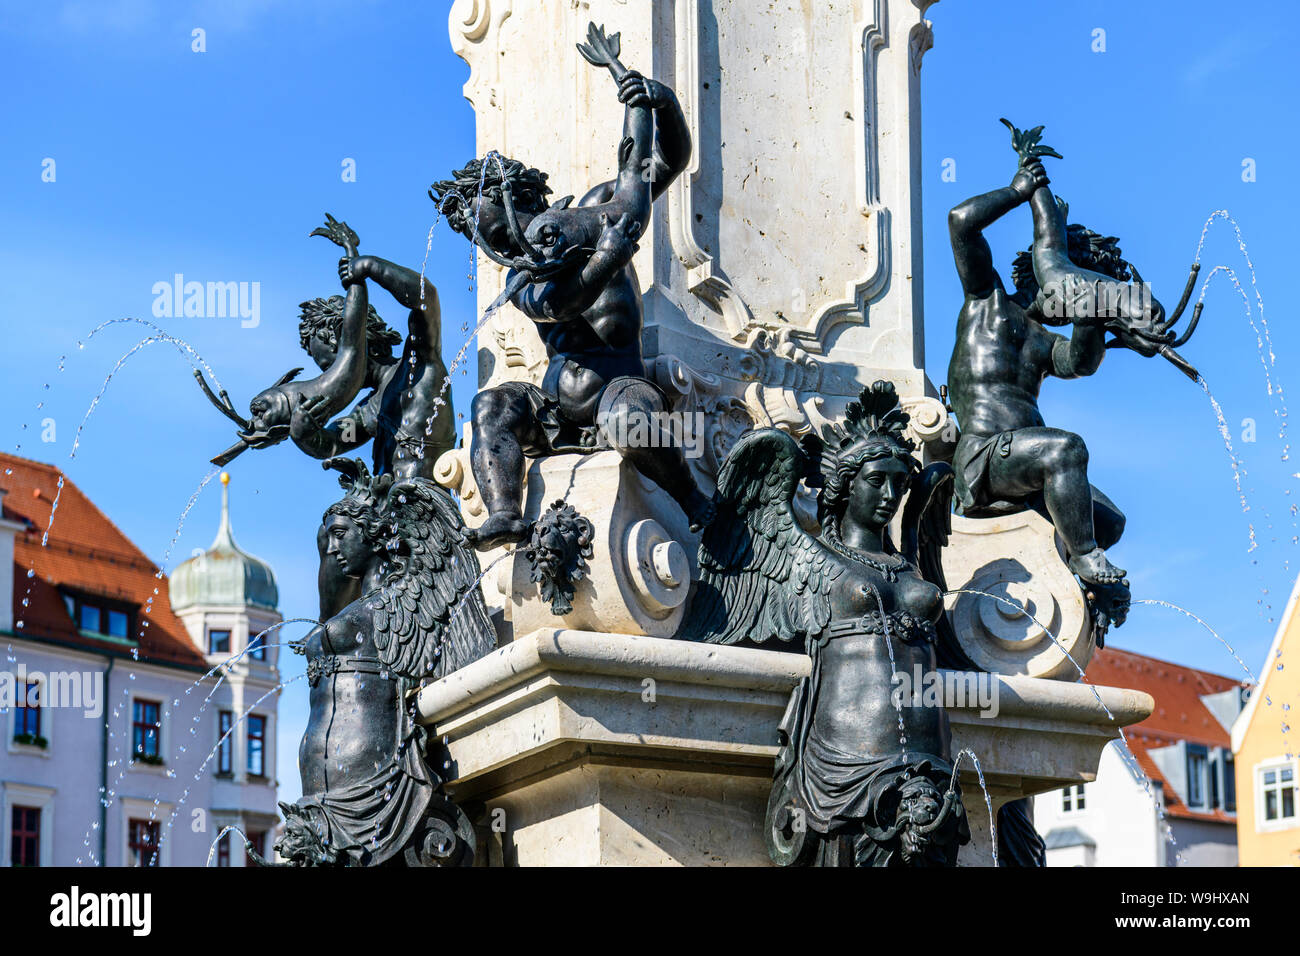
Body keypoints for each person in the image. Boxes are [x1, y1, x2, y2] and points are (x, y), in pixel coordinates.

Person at [430, 64, 714, 549]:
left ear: (522, 200)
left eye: (501, 234)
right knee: (490, 404)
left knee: (632, 421)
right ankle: (504, 514)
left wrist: (659, 102)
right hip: (555, 412)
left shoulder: (600, 209)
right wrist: (607, 258)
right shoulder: (521, 275)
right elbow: (557, 306)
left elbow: (668, 160)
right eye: (488, 245)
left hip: (618, 389)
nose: (501, 251)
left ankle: (694, 502)